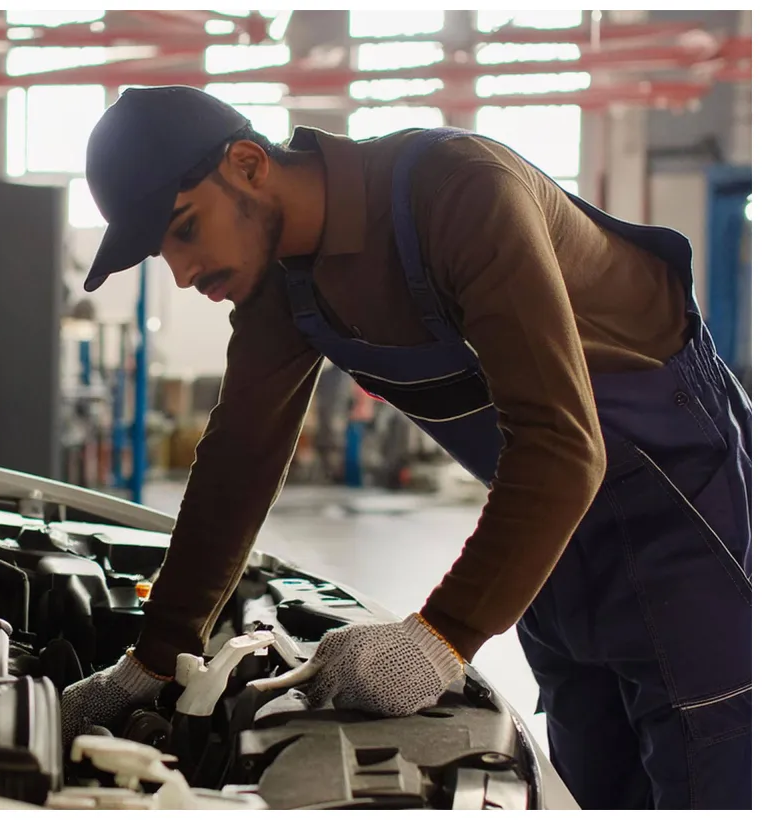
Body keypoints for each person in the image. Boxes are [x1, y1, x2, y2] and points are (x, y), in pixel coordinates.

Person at [61, 85, 751, 810]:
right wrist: (152, 660)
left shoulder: (460, 193)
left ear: (247, 164)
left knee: (704, 763)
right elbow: (237, 463)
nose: (180, 271)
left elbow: (562, 443)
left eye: (184, 229)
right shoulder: (281, 289)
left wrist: (439, 637)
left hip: (671, 492)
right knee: (590, 773)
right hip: (543, 522)